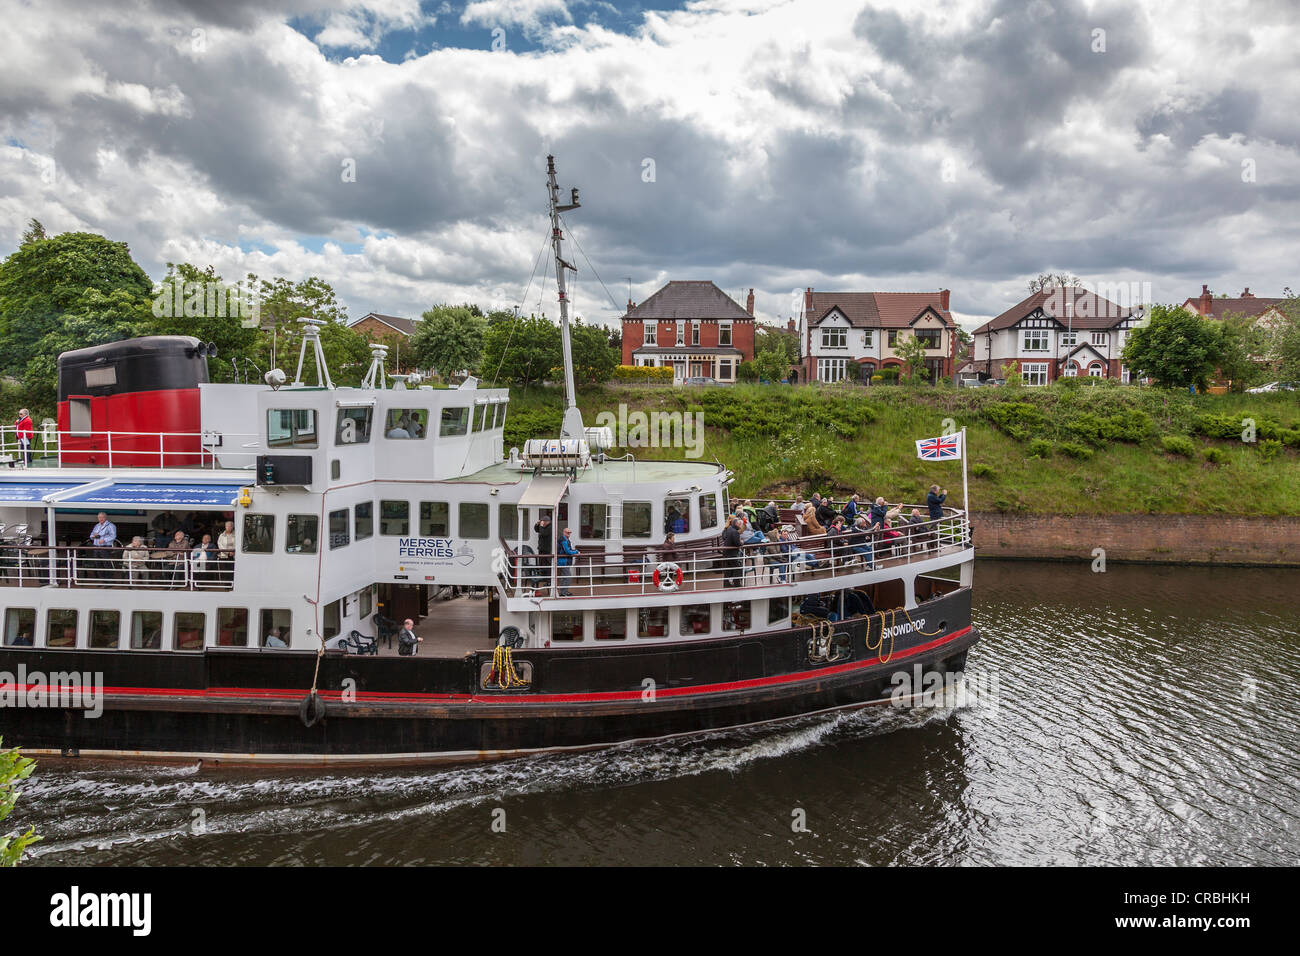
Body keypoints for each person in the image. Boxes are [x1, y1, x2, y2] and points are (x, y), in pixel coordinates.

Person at [89, 512, 117, 580]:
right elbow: (91, 536)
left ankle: (109, 580)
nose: (100, 519)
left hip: (105, 547)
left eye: (102, 517)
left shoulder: (110, 525)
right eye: (99, 517)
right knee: (98, 563)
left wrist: (104, 540)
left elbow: (113, 536)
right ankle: (102, 580)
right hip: (96, 546)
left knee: (106, 563)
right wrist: (93, 536)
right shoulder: (97, 526)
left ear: (105, 518)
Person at [721, 515, 743, 588]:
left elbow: (724, 537)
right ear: (736, 524)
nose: (740, 525)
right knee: (737, 568)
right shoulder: (735, 532)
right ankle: (737, 584)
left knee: (728, 569)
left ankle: (726, 584)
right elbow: (738, 543)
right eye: (739, 524)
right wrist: (741, 542)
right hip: (731, 554)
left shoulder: (729, 529)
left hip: (726, 552)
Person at [557, 527, 578, 596]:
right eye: (567, 532)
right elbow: (568, 551)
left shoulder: (566, 539)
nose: (569, 534)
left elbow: (569, 550)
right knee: (568, 577)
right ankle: (563, 592)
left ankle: (563, 591)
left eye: (569, 533)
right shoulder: (563, 540)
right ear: (564, 532)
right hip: (563, 561)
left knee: (564, 577)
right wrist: (576, 551)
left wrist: (573, 551)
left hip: (565, 561)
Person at [534, 514, 553, 588]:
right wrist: (537, 524)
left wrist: (541, 526)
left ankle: (549, 581)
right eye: (542, 521)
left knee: (547, 566)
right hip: (541, 549)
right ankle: (544, 579)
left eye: (544, 521)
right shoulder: (543, 527)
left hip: (547, 550)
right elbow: (536, 530)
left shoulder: (550, 527)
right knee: (542, 564)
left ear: (547, 522)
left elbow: (544, 533)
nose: (543, 522)